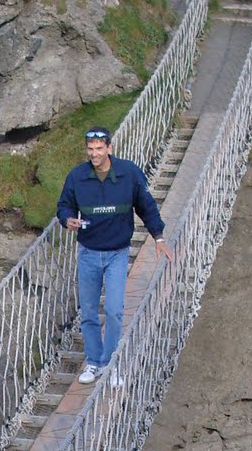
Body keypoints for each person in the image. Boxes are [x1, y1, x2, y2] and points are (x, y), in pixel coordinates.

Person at [56, 128, 173, 385]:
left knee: (113, 310)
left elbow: (146, 206)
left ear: (109, 148)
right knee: (88, 311)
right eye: (90, 149)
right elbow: (63, 204)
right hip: (88, 253)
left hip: (117, 255)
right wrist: (67, 219)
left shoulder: (128, 174)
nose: (94, 154)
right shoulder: (77, 177)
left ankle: (110, 364)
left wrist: (159, 237)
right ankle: (94, 362)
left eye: (99, 148)